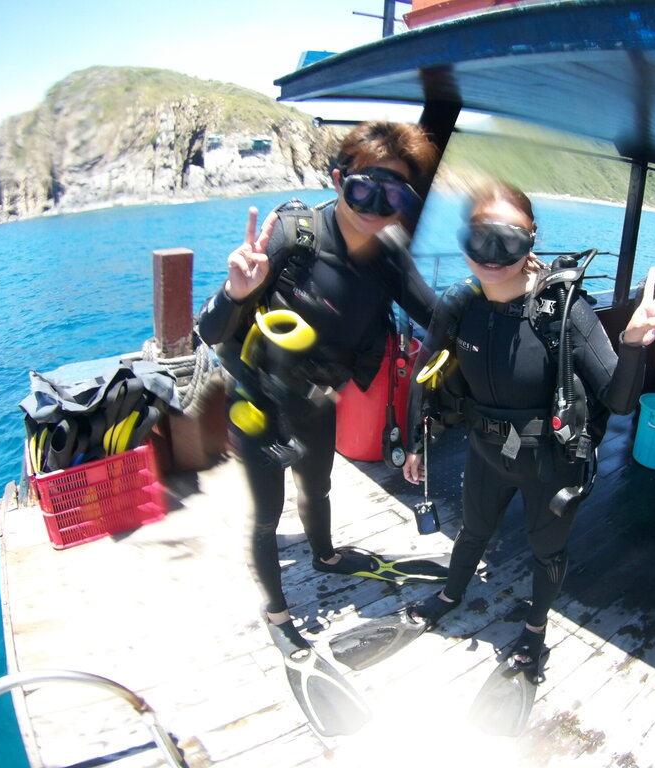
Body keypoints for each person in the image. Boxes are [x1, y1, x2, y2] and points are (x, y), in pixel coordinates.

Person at [327, 180, 655, 706]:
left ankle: (535, 632)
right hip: (487, 452)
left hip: (550, 463)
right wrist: (418, 441)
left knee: (545, 551)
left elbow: (621, 402)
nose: (491, 257)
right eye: (479, 240)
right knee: (472, 532)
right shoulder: (460, 305)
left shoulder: (563, 313)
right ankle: (450, 593)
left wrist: (632, 346)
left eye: (507, 241)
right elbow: (427, 371)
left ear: (532, 239)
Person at [197, 121, 441, 734]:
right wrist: (235, 291)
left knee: (320, 489)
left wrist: (507, 298)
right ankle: (278, 615)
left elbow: (440, 318)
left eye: (397, 198)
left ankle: (327, 556)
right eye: (364, 192)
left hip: (318, 401)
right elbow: (209, 332)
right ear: (337, 182)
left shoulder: (388, 261)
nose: (377, 209)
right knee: (266, 514)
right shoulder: (291, 236)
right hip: (259, 401)